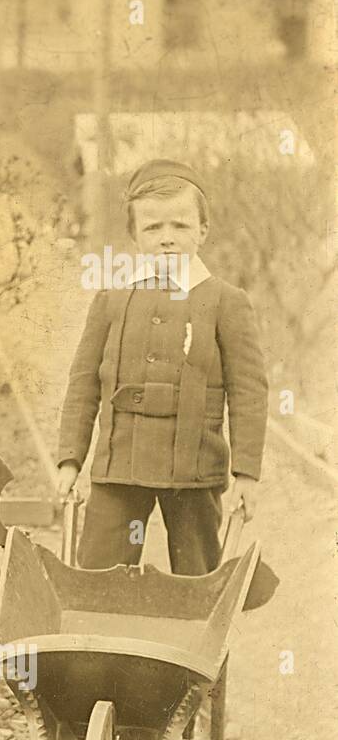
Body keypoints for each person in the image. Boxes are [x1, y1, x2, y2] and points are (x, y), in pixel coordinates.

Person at [56, 159, 268, 575]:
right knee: (97, 577)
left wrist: (246, 475)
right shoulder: (110, 301)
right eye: (153, 228)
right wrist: (69, 462)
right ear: (135, 236)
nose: (167, 239)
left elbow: (249, 391)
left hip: (195, 473)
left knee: (198, 582)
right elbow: (82, 385)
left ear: (202, 231)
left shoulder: (227, 302)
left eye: (181, 226)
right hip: (119, 468)